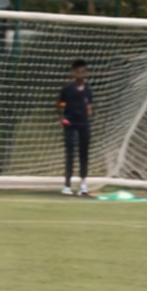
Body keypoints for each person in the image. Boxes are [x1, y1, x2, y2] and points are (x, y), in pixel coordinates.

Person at [56, 58, 93, 196]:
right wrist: (62, 119)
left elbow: (89, 106)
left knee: (84, 154)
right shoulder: (67, 88)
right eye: (78, 72)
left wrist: (87, 114)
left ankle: (83, 184)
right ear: (73, 73)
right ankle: (67, 184)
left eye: (83, 72)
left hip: (84, 124)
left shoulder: (88, 89)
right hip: (70, 125)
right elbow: (59, 104)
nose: (81, 74)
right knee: (70, 154)